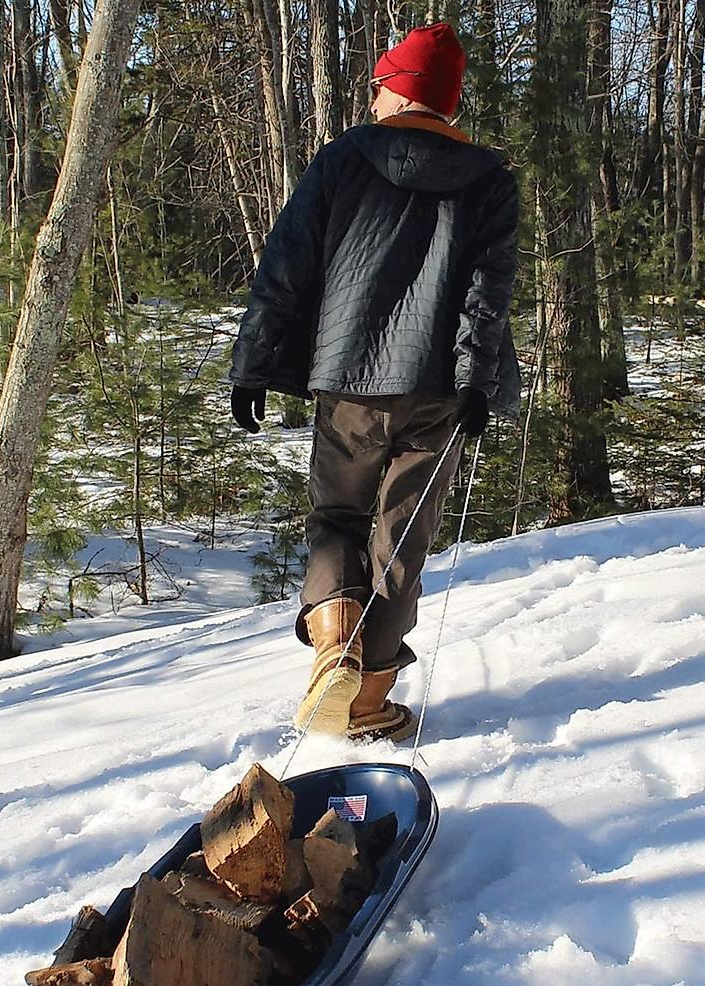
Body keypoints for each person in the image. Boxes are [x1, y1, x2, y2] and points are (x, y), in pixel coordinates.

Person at [228, 22, 520, 741]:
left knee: (336, 520)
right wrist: (478, 382)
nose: (377, 98)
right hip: (440, 394)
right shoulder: (490, 179)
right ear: (447, 103)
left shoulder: (340, 162)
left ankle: (336, 654)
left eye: (382, 85)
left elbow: (286, 263)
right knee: (403, 538)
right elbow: (489, 291)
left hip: (349, 383)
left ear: (397, 89)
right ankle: (367, 700)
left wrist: (254, 360)